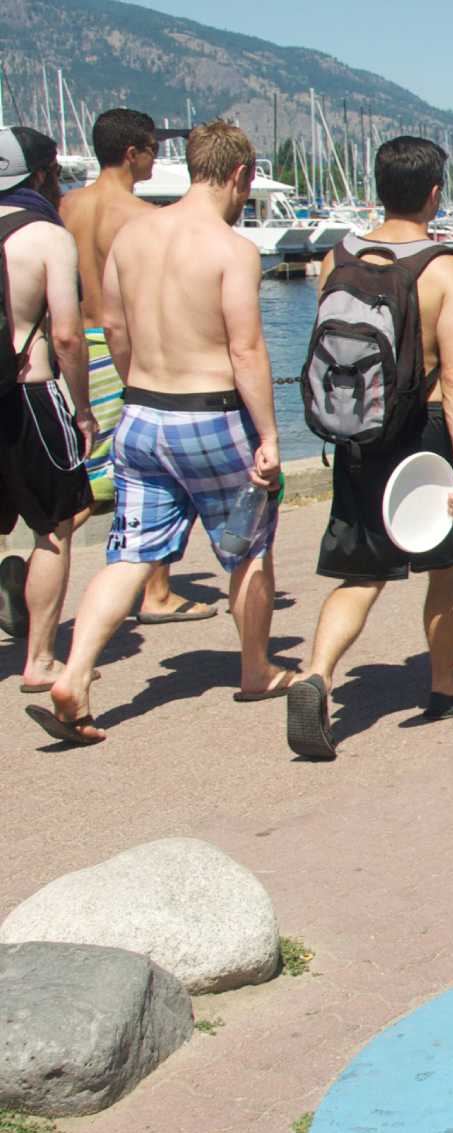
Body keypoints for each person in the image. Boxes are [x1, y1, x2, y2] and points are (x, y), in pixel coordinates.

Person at [28, 121, 292, 746]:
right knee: (250, 545)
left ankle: (75, 673)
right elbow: (247, 349)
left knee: (128, 553)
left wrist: (137, 389)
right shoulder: (233, 250)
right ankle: (255, 669)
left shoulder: (132, 236)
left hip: (142, 416)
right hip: (213, 414)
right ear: (240, 176)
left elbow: (114, 328)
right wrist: (270, 437)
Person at [285, 136, 453, 761]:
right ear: (434, 193)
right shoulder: (445, 269)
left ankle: (316, 673)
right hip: (420, 434)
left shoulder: (336, 257)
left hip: (355, 431)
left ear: (377, 186)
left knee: (360, 571)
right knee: (445, 566)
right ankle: (444, 685)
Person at [61, 108, 214, 627]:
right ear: (133, 154)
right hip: (114, 348)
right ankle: (155, 591)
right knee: (131, 478)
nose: (155, 157)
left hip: (70, 348)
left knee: (87, 469)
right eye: (152, 148)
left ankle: (50, 548)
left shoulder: (66, 205)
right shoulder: (139, 218)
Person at [0, 126, 96, 695]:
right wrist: (83, 409)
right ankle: (39, 658)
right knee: (53, 526)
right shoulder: (45, 236)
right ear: (40, 175)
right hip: (30, 395)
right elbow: (66, 336)